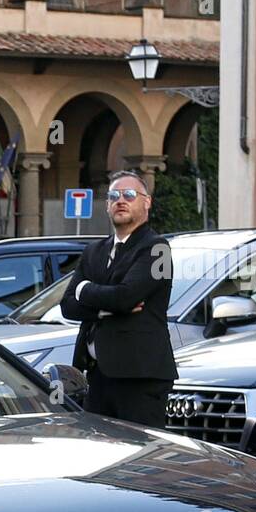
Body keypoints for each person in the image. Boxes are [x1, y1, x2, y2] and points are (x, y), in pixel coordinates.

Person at [61, 170, 177, 428]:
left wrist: (85, 289)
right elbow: (67, 305)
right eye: (114, 195)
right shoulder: (94, 251)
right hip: (97, 375)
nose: (120, 200)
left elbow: (125, 297)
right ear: (106, 206)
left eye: (129, 194)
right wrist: (103, 309)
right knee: (100, 455)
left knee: (141, 460)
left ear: (146, 202)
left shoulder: (157, 248)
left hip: (139, 376)